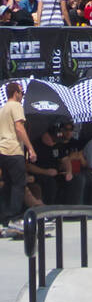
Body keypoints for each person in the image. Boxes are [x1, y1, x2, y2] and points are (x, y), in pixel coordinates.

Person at [0, 81, 37, 231]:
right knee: (19, 184)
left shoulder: (3, 109)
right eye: (22, 93)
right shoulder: (16, 106)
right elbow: (19, 128)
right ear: (15, 93)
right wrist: (30, 148)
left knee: (7, 185)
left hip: (2, 150)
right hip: (14, 150)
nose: (22, 96)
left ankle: (5, 218)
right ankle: (14, 218)